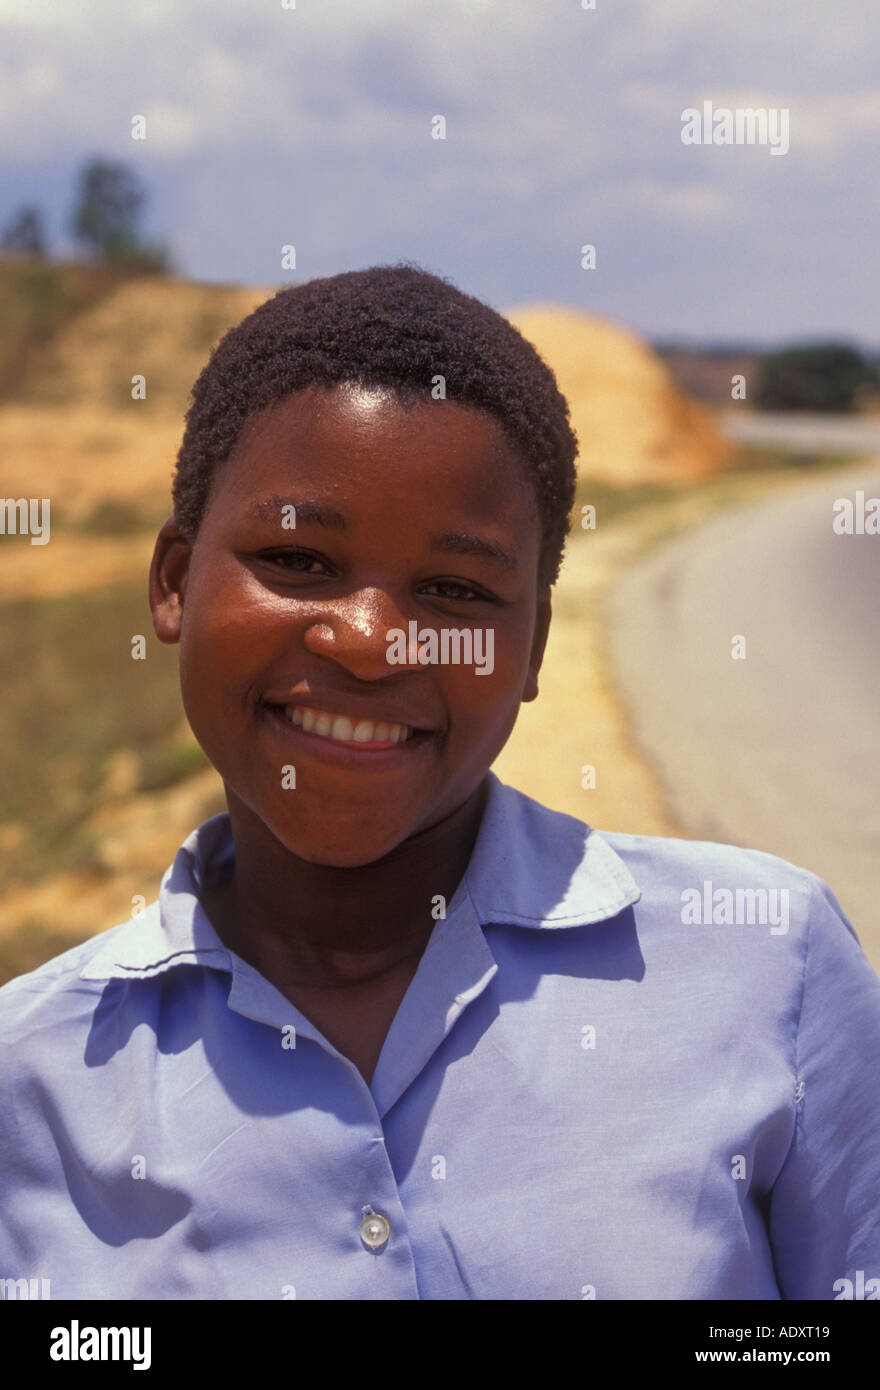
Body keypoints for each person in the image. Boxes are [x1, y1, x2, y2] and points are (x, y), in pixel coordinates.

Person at [1, 264, 878, 1301]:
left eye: (455, 590)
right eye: (299, 559)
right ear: (173, 582)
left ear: (534, 644)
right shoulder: (34, 1084)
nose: (372, 644)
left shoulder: (765, 970)